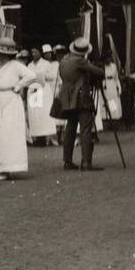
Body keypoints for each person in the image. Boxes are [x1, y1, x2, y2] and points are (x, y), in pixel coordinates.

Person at [0, 40, 36, 181]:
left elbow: (31, 76)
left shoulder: (16, 65)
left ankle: (6, 168)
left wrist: (18, 86)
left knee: (7, 134)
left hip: (9, 101)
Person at [55, 37, 105, 171]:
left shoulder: (64, 60)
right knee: (86, 129)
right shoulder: (80, 61)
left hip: (67, 98)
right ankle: (86, 162)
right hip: (81, 97)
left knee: (70, 129)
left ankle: (67, 161)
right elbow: (99, 73)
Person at [27, 44, 60, 146]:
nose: (33, 54)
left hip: (43, 90)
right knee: (34, 114)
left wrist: (43, 76)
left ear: (40, 52)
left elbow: (53, 76)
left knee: (44, 114)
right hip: (33, 90)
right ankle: (37, 137)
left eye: (35, 52)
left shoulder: (46, 64)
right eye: (32, 52)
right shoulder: (30, 65)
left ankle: (46, 138)